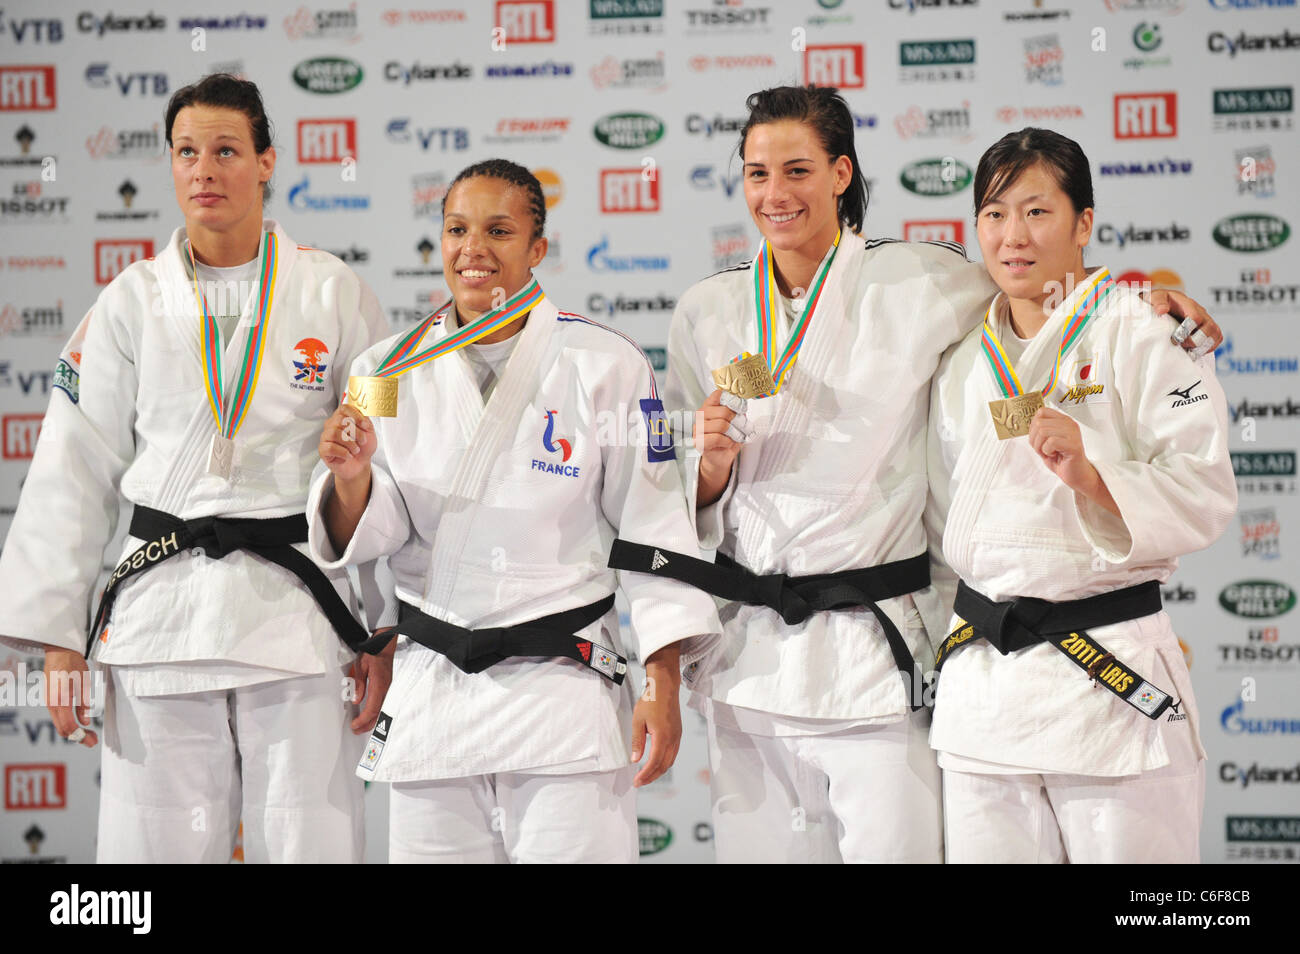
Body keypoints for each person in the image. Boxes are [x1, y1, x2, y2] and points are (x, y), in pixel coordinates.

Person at [629, 85, 1222, 864]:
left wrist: (1142, 300)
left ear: (842, 174)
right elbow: (661, 505)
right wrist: (705, 473)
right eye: (756, 172)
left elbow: (1046, 291)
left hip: (881, 661)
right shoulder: (704, 312)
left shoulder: (923, 282)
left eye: (798, 169)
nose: (775, 193)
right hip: (759, 661)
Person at [0, 74, 390, 863]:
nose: (204, 169)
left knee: (314, 848)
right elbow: (73, 466)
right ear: (170, 165)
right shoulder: (128, 301)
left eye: (225, 150)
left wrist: (380, 629)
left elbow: (381, 466)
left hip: (299, 619)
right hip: (158, 621)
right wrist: (57, 638)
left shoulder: (334, 290)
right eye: (186, 152)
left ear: (267, 161)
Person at [310, 159, 720, 864]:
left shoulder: (605, 363)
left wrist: (662, 680)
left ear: (537, 248)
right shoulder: (382, 370)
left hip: (561, 695)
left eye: (499, 230)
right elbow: (375, 533)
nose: (474, 248)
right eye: (457, 229)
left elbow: (653, 530)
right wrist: (349, 479)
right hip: (435, 697)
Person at [925, 128, 1235, 863]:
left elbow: (1205, 485)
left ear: (1084, 222)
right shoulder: (962, 356)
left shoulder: (1144, 329)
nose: (1013, 236)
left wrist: (1095, 478)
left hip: (1106, 682)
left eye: (1037, 213)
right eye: (995, 215)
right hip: (983, 693)